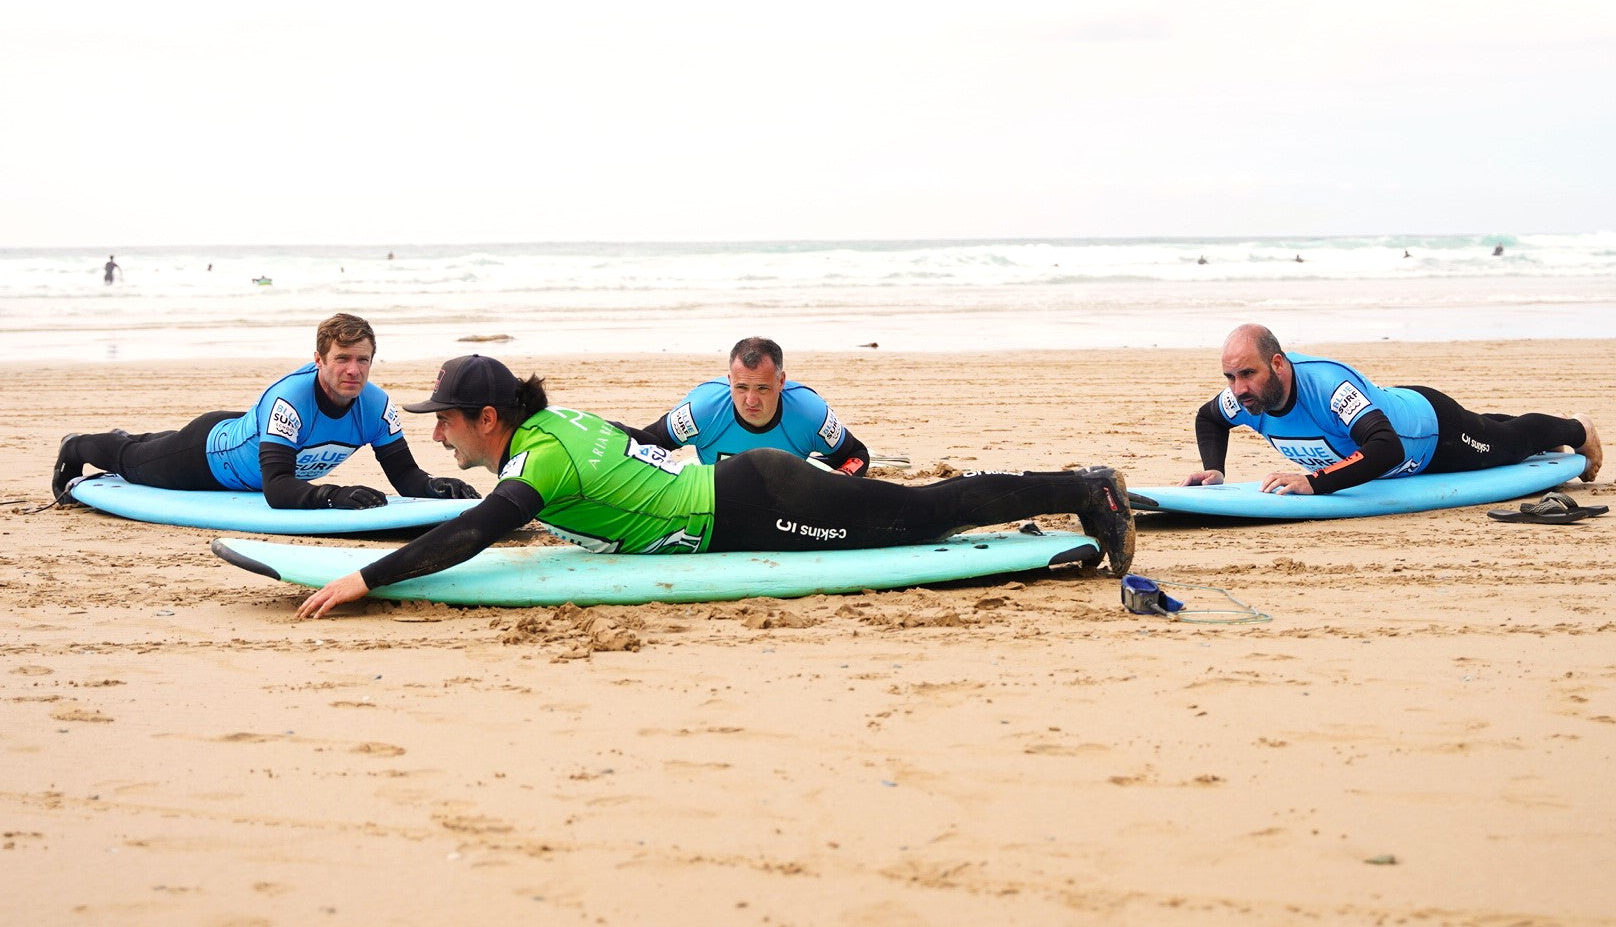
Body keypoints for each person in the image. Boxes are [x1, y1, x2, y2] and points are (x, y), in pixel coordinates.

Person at [295, 355, 1135, 618]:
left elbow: (475, 532)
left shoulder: (541, 461)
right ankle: (1077, 487)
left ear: (486, 418)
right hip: (745, 488)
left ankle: (1086, 489)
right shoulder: (559, 428)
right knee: (920, 515)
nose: (434, 432)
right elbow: (626, 453)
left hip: (759, 506)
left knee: (923, 520)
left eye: (443, 419)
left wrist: (363, 578)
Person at [52, 313, 481, 509]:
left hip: (242, 443)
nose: (354, 370)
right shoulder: (291, 400)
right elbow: (277, 490)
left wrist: (435, 487)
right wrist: (332, 495)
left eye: (363, 360)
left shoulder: (376, 406)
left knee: (145, 446)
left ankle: (123, 437)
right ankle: (78, 444)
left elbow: (405, 477)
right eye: (342, 359)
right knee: (132, 460)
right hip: (208, 458)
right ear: (319, 359)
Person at [1181, 324, 1602, 495]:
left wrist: (1314, 482)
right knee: (1494, 427)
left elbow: (1388, 448)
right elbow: (1209, 418)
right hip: (1397, 421)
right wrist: (1214, 468)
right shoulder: (1246, 396)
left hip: (1433, 433)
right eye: (1230, 377)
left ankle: (1577, 429)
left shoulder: (1328, 386)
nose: (1238, 389)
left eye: (1247, 374)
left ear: (1277, 364)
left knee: (1510, 444)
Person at [619, 337, 872, 475]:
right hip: (717, 501)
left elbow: (857, 454)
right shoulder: (701, 411)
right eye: (741, 388)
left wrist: (845, 477)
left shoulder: (810, 413)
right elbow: (646, 443)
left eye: (762, 388)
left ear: (781, 381)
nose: (751, 401)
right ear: (729, 380)